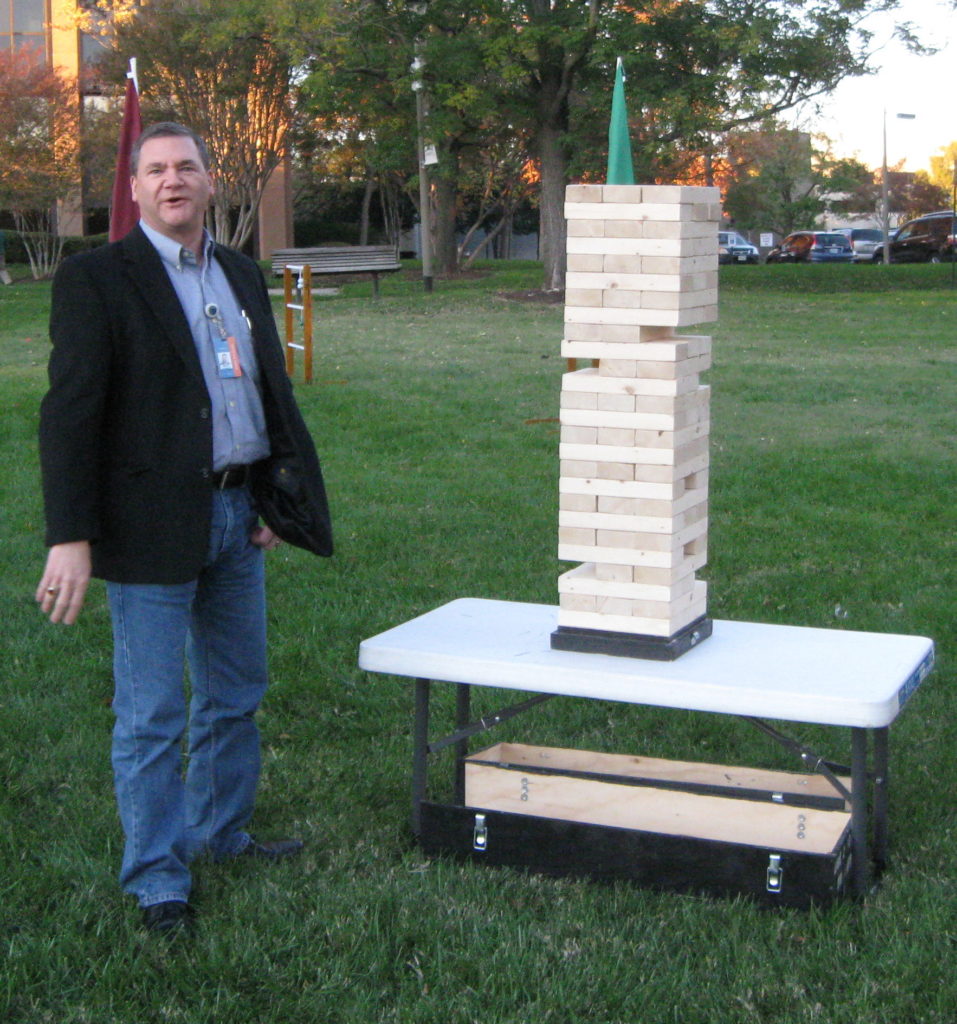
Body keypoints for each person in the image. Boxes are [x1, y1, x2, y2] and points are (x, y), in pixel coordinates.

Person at [36, 122, 332, 937]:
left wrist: (274, 496)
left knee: (234, 695)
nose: (173, 180)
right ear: (133, 190)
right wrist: (71, 534)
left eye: (187, 167)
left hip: (239, 519)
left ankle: (220, 833)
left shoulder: (238, 271)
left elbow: (267, 392)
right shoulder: (97, 278)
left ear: (209, 182)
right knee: (153, 716)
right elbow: (69, 414)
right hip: (147, 525)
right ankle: (158, 877)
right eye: (156, 170)